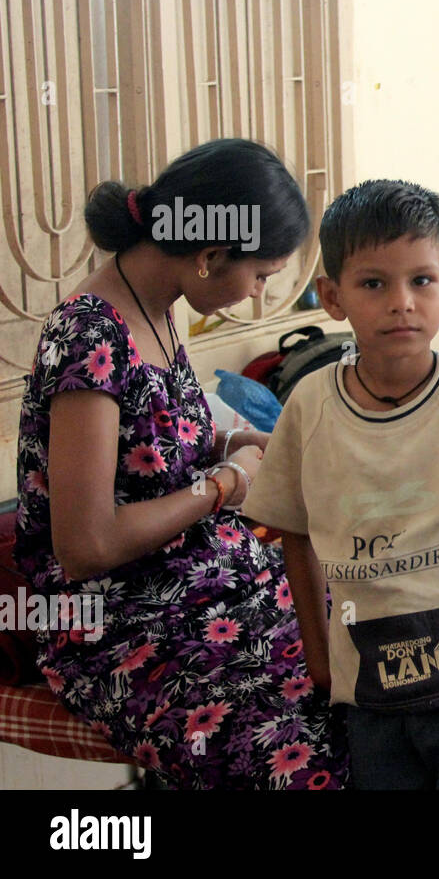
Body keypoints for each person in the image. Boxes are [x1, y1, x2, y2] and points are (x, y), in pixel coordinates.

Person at [14, 138, 348, 788]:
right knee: (316, 756)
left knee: (392, 673)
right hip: (119, 633)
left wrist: (234, 445)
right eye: (258, 275)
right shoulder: (90, 337)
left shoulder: (156, 311)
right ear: (209, 256)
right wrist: (225, 485)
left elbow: (158, 452)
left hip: (208, 596)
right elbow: (86, 545)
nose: (255, 295)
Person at [242, 180, 439, 789]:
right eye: (373, 284)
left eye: (421, 280)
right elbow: (295, 535)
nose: (402, 302)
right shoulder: (311, 407)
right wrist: (319, 661)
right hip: (369, 686)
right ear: (332, 297)